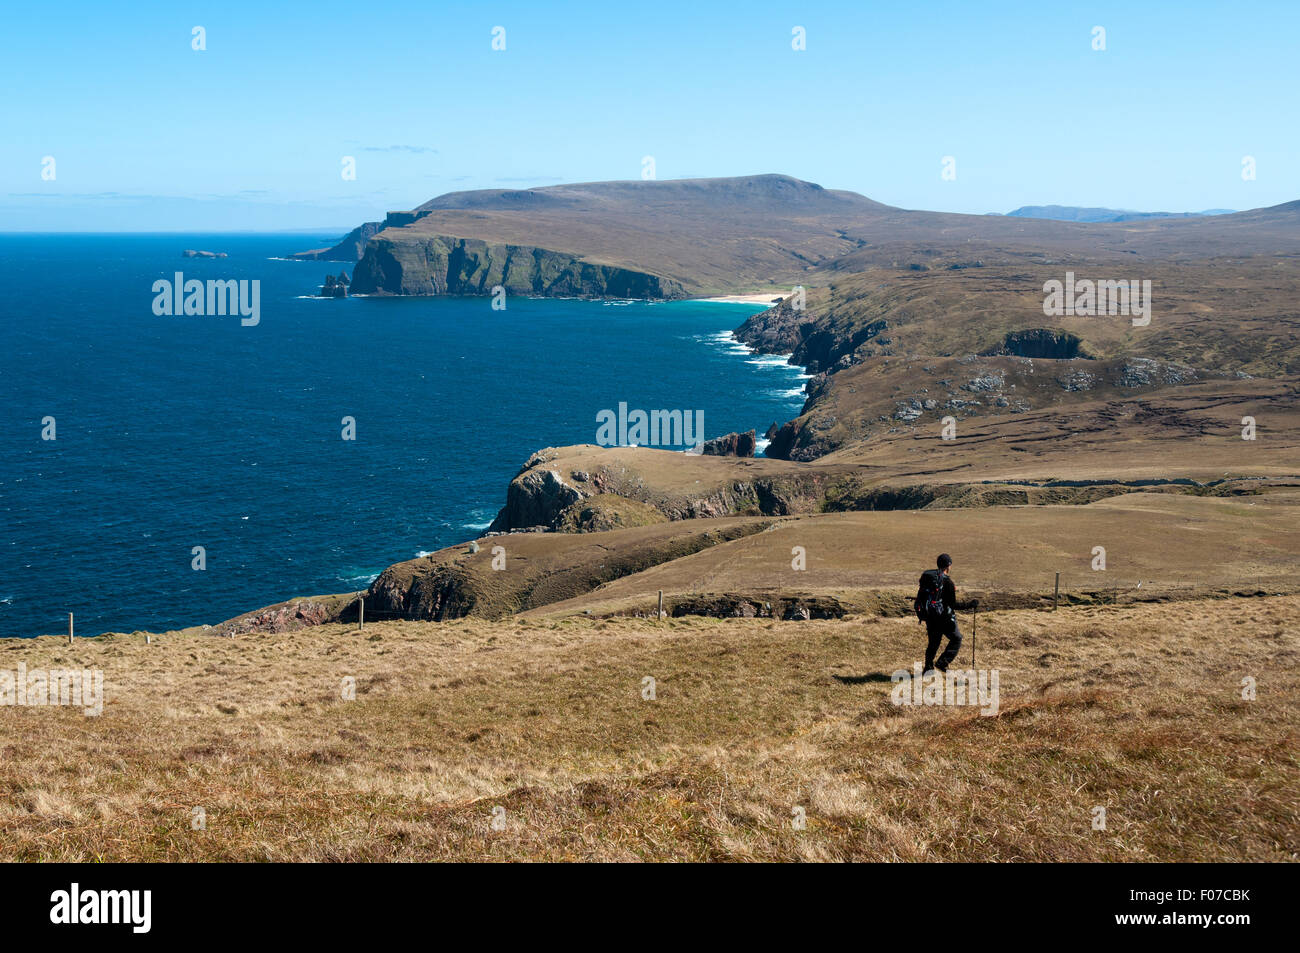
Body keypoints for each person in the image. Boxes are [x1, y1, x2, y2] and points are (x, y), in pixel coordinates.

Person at [914, 553, 979, 674]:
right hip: (945, 619)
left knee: (933, 643)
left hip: (930, 616)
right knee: (957, 639)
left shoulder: (929, 578)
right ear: (948, 566)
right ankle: (942, 662)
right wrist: (970, 604)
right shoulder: (948, 583)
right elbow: (953, 604)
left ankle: (928, 668)